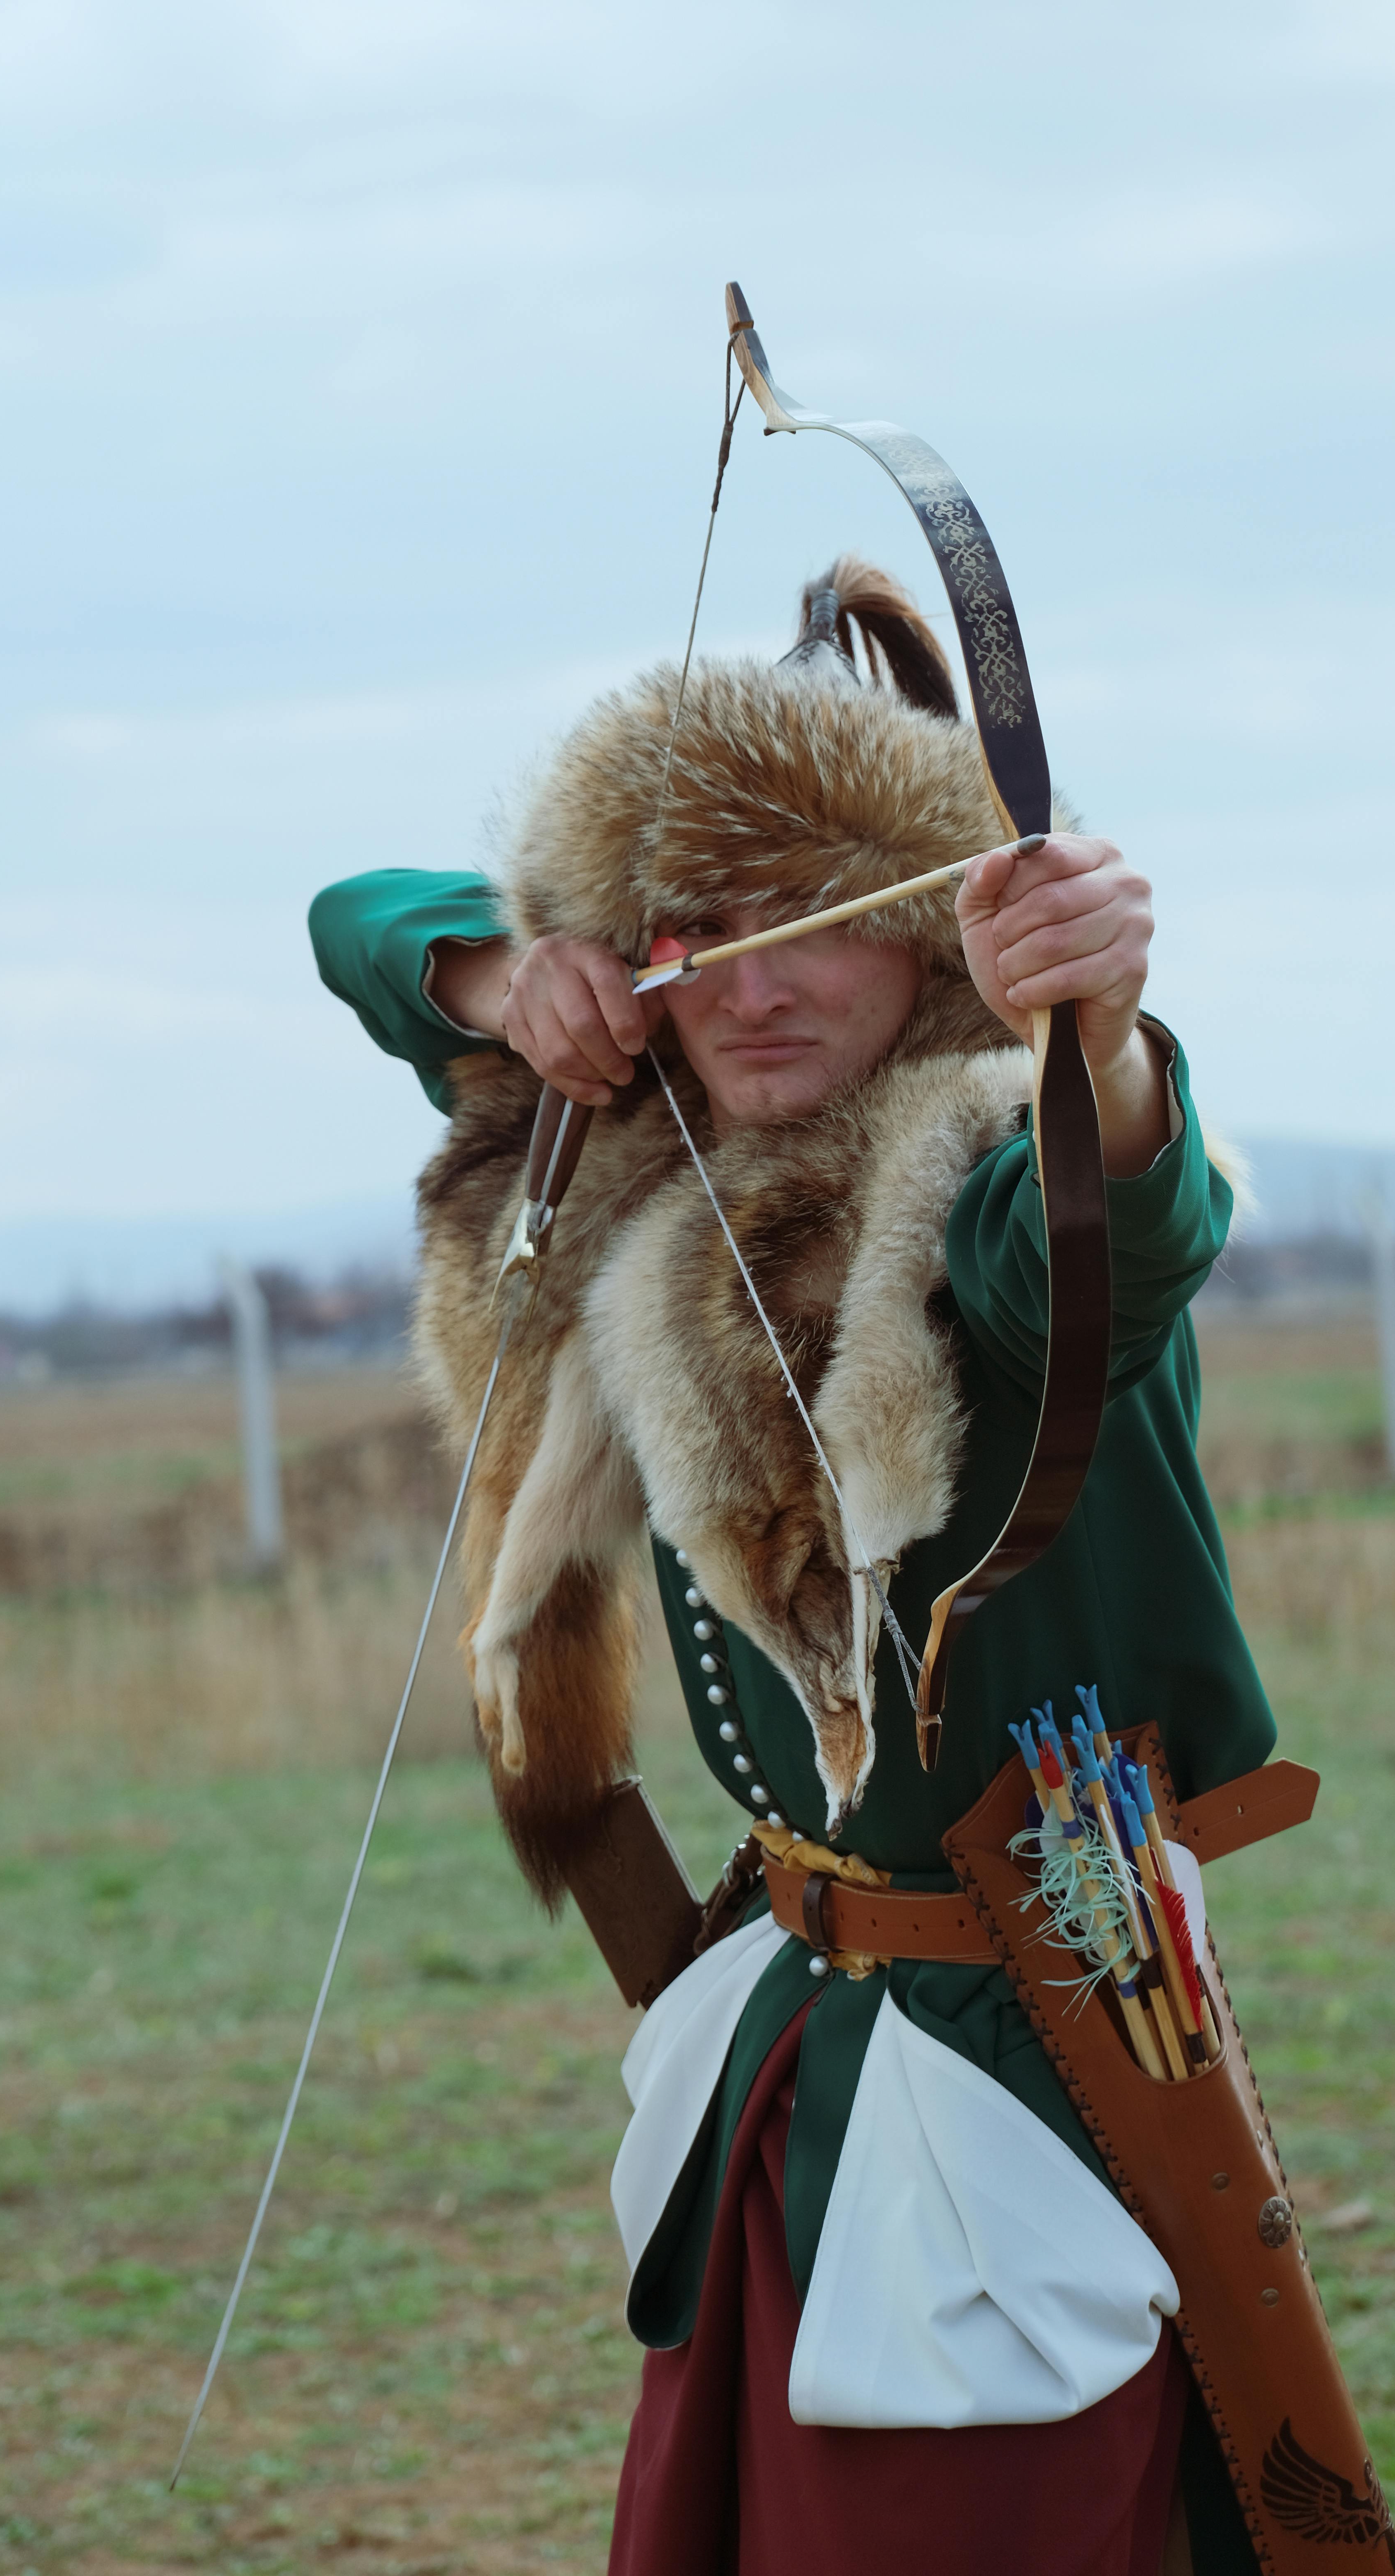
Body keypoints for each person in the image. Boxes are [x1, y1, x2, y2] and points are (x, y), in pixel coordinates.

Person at [309, 558, 1272, 2575]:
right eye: (692, 935)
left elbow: (1125, 1213)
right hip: (785, 2030)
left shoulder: (990, 1170)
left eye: (807, 928)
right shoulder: (653, 1161)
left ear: (922, 939)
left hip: (1034, 2050)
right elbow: (354, 927)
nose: (746, 988)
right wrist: (510, 975)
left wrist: (1094, 1028)